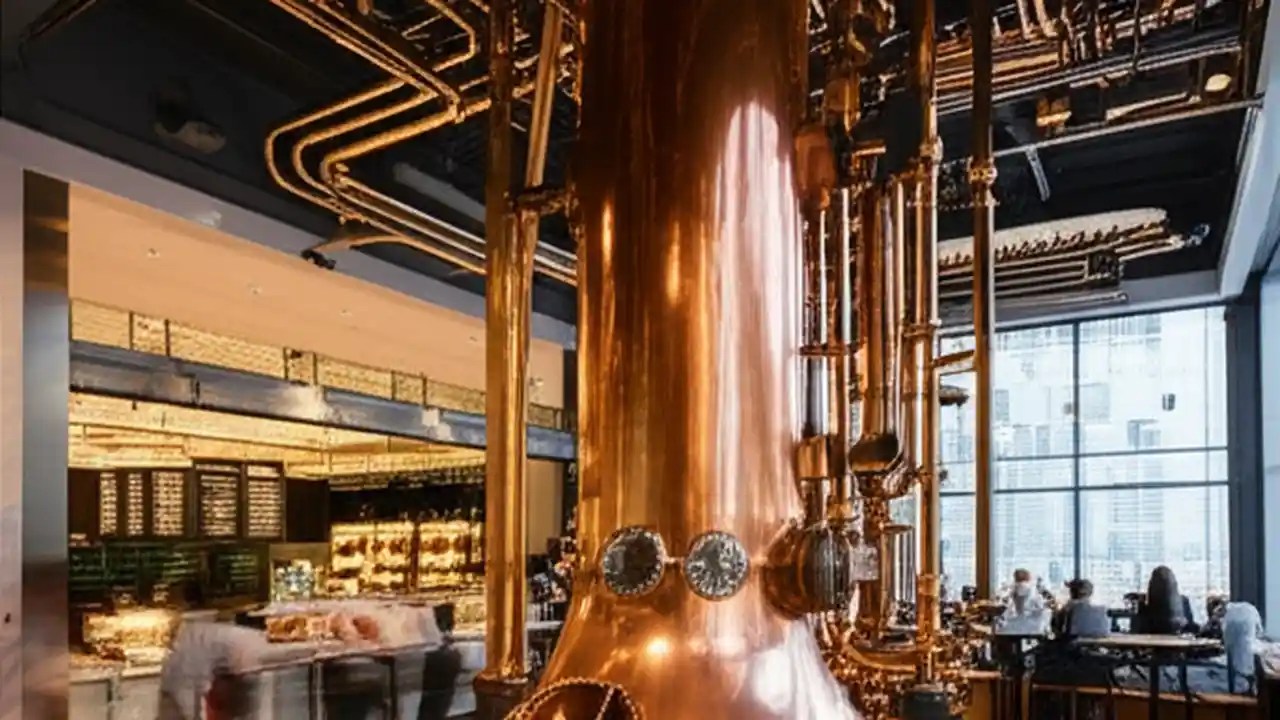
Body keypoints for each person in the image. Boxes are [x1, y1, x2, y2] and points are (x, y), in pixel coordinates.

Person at [1135, 565, 1200, 635]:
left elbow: (1138, 629)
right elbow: (1190, 627)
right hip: (1179, 638)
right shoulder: (1184, 602)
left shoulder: (1145, 608)